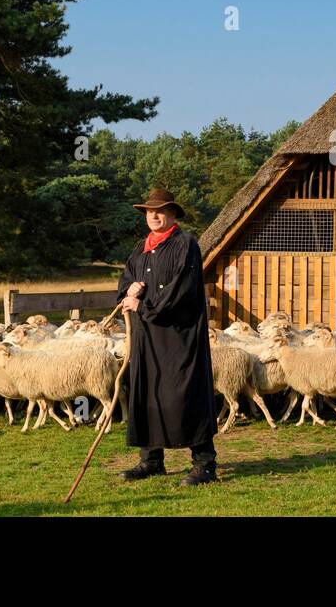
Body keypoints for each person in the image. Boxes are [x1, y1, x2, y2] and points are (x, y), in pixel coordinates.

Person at [116, 187, 219, 485]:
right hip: (146, 337)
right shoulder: (141, 248)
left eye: (160, 211)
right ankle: (151, 461)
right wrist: (128, 292)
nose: (154, 215)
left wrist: (143, 306)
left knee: (184, 395)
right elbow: (125, 284)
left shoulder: (185, 245)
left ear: (172, 214)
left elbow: (181, 290)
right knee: (147, 392)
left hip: (178, 337)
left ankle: (205, 464)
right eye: (150, 211)